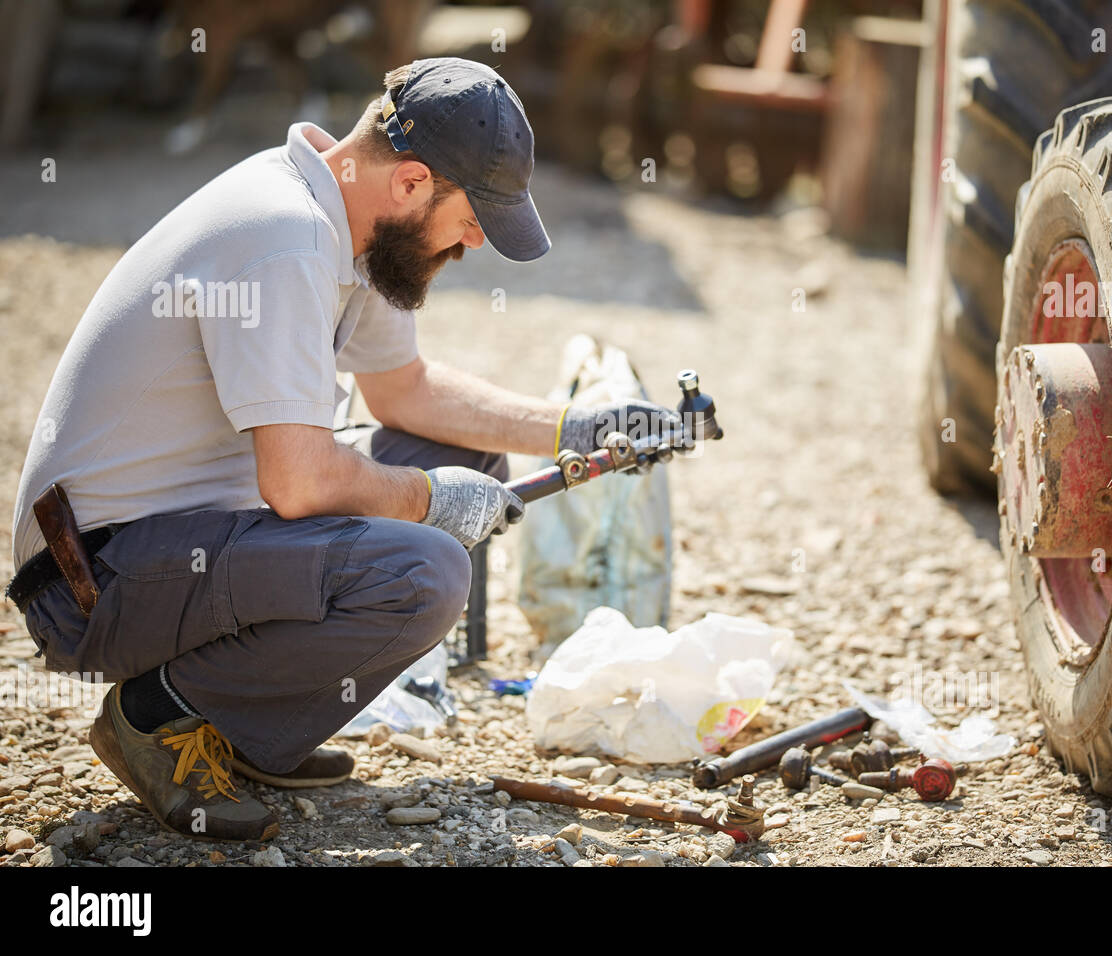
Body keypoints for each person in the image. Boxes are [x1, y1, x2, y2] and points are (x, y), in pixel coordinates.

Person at [6, 58, 678, 842]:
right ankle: (159, 717)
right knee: (426, 570)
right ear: (412, 182)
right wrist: (432, 502)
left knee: (454, 455)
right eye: (472, 217)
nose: (473, 242)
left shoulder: (344, 219)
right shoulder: (282, 238)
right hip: (89, 579)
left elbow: (408, 395)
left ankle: (237, 723)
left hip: (172, 537)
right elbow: (297, 483)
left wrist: (582, 427)